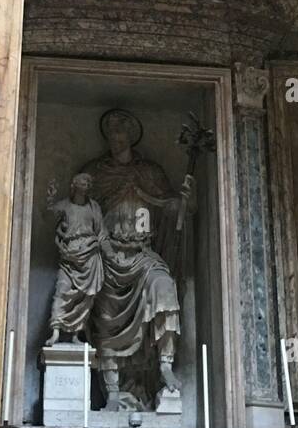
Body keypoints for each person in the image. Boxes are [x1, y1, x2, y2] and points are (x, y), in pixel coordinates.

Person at [80, 109, 193, 409]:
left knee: (164, 287)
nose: (116, 138)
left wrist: (180, 203)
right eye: (111, 132)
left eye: (121, 132)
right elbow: (79, 213)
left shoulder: (151, 173)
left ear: (131, 136)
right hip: (107, 256)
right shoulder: (95, 174)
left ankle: (166, 364)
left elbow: (170, 211)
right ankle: (112, 390)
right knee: (103, 309)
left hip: (143, 255)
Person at [44, 172, 105, 346]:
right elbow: (47, 217)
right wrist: (49, 198)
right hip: (69, 257)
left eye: (89, 181)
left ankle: (76, 335)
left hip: (90, 257)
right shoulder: (64, 206)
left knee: (84, 299)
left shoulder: (94, 207)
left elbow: (101, 232)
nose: (87, 183)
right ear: (74, 184)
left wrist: (111, 254)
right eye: (83, 180)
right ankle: (55, 332)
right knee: (61, 290)